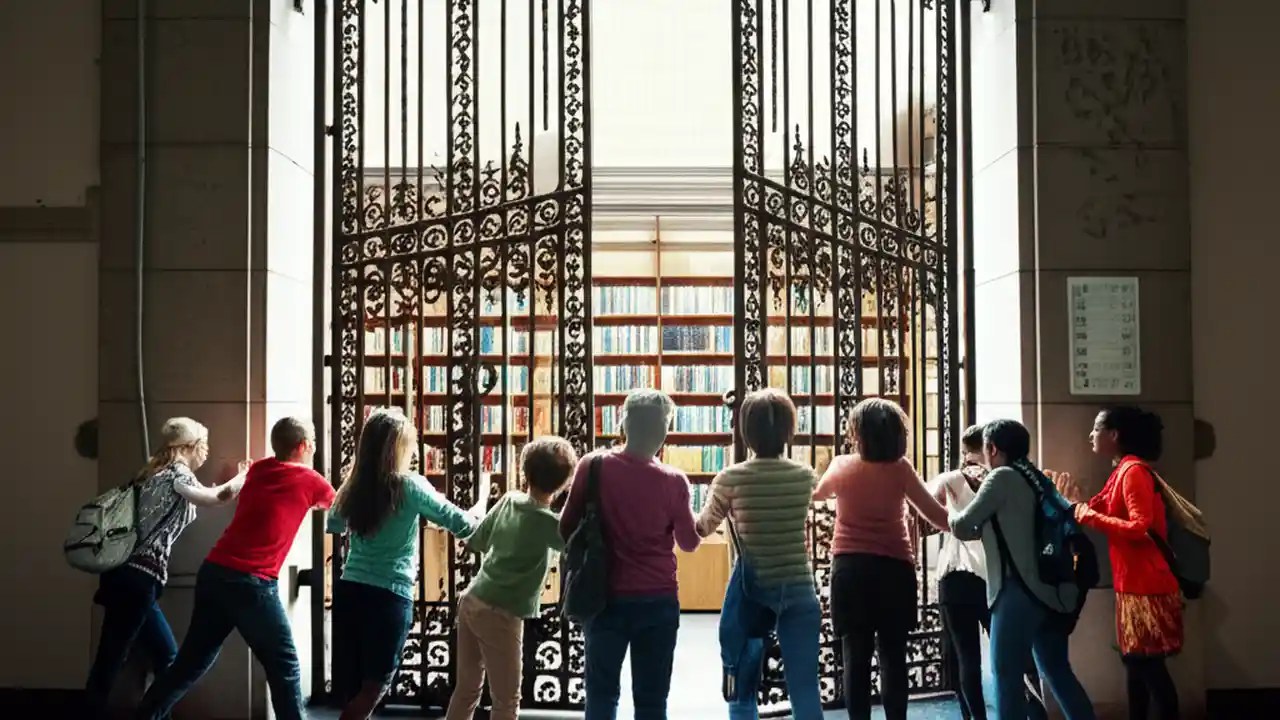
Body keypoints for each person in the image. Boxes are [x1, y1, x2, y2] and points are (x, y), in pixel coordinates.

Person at [135, 417, 336, 720]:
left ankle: (144, 716)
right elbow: (337, 507)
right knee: (285, 665)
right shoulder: (310, 480)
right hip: (252, 582)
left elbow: (235, 491)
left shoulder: (259, 469)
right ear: (305, 446)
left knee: (190, 664)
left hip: (214, 571)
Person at [328, 409, 483, 720]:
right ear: (398, 448)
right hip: (389, 593)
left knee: (356, 686)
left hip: (351, 590)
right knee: (376, 685)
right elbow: (462, 524)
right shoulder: (408, 487)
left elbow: (333, 525)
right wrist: (480, 504)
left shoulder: (351, 487)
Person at [85, 417, 246, 718]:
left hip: (127, 577)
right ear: (191, 447)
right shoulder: (177, 474)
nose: (207, 453)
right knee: (114, 658)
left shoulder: (151, 473)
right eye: (204, 446)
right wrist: (242, 478)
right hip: (138, 580)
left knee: (163, 656)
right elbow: (217, 497)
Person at [560, 389, 701, 720]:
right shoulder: (674, 481)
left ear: (623, 423)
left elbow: (565, 526)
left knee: (601, 695)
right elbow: (689, 543)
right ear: (664, 431)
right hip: (658, 599)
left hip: (602, 595)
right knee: (652, 700)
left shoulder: (592, 466)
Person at [948, 419, 1095, 720]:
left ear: (992, 448)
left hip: (1014, 594)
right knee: (1057, 672)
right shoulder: (1038, 478)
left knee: (1006, 676)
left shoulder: (1000, 477)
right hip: (1051, 592)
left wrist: (951, 507)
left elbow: (963, 526)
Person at [813, 398, 950, 720]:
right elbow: (938, 517)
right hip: (894, 571)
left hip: (850, 569)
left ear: (859, 433)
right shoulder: (901, 469)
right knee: (894, 658)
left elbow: (817, 495)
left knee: (855, 659)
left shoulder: (841, 466)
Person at [694, 389, 822, 720]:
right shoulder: (805, 476)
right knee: (806, 689)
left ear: (744, 431)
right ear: (789, 431)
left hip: (752, 595)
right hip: (799, 589)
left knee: (742, 689)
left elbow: (702, 528)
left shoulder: (730, 479)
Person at [1055, 408, 1182, 720]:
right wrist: (1067, 502)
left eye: (1097, 429)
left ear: (1114, 435)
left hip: (1146, 587)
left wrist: (1083, 514)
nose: (1091, 435)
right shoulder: (1122, 471)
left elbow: (1140, 526)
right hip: (1135, 585)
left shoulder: (1133, 471)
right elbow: (1088, 508)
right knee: (1136, 664)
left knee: (1148, 667)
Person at [444, 436, 578, 720]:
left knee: (467, 688)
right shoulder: (552, 525)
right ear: (565, 483)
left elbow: (477, 541)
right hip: (502, 614)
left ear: (524, 471)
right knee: (506, 700)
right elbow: (581, 545)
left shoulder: (508, 500)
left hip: (472, 600)